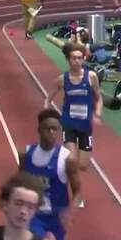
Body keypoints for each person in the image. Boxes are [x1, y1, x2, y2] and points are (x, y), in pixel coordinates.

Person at [21, 110, 82, 240]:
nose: (51, 132)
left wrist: (70, 212)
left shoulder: (68, 159)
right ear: (39, 129)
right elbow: (20, 184)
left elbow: (78, 192)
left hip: (57, 219)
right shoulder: (26, 154)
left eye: (55, 129)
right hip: (34, 215)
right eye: (48, 128)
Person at [44, 43, 102, 179]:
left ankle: (61, 162)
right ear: (68, 60)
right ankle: (65, 180)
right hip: (69, 122)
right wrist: (47, 118)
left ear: (83, 59)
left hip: (85, 125)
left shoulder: (91, 77)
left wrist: (97, 113)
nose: (77, 61)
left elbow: (99, 98)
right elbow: (48, 99)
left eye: (79, 58)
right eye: (74, 58)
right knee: (72, 159)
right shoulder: (62, 79)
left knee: (83, 165)